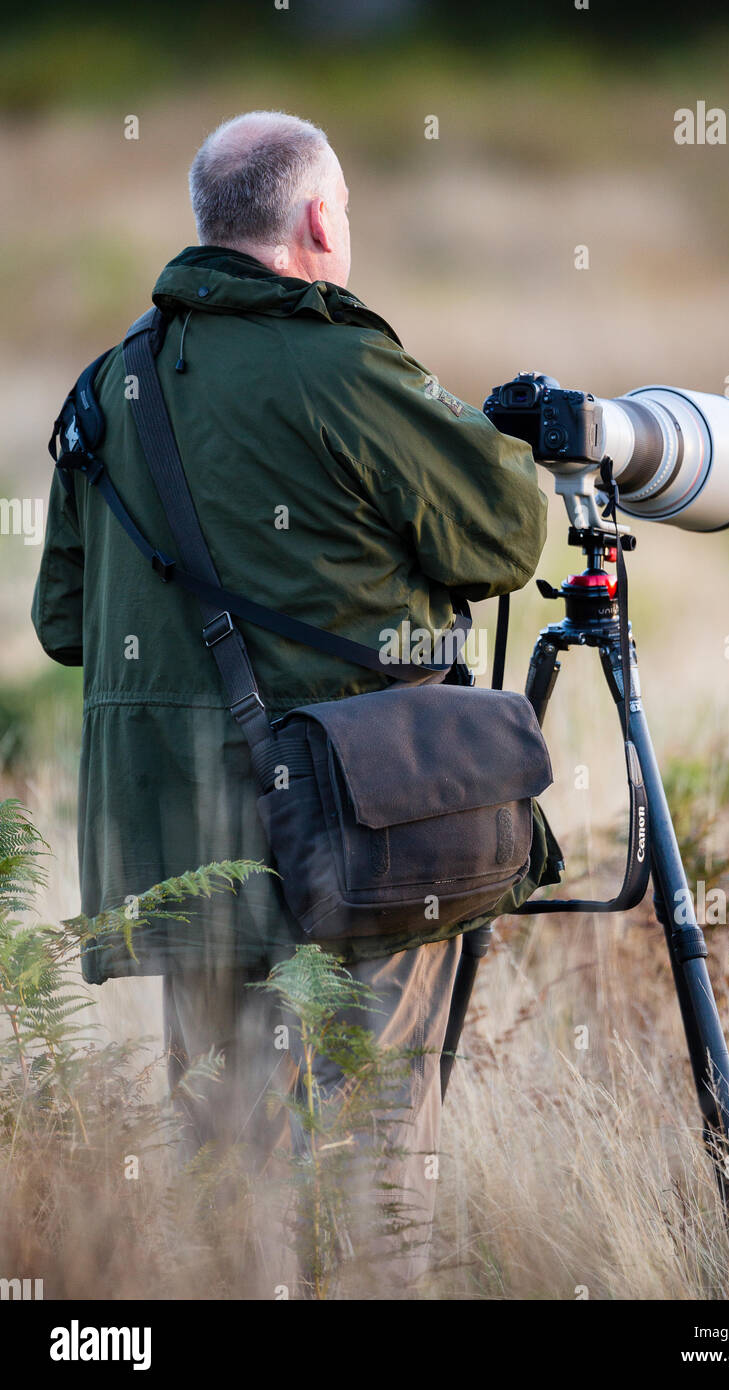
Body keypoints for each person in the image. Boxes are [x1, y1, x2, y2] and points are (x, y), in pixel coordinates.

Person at [31, 109, 547, 1292]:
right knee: (369, 1154)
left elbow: (65, 627)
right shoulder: (342, 361)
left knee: (223, 1166)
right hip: (356, 826)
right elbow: (509, 535)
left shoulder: (110, 384)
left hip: (176, 844)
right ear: (320, 218)